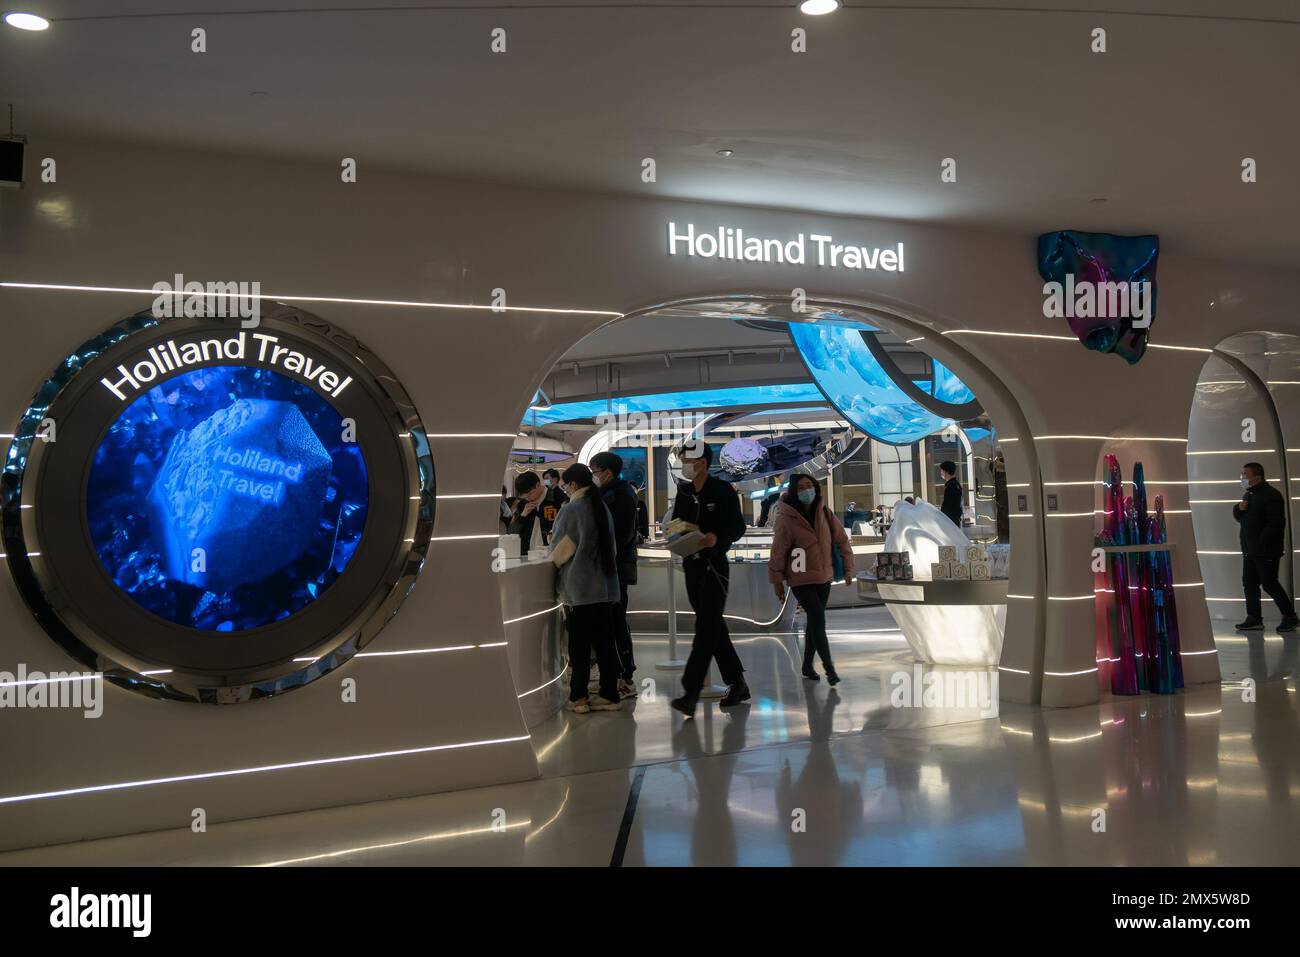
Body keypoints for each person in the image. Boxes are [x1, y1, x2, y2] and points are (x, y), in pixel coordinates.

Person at [668, 442, 750, 717]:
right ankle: (737, 682)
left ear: (702, 461)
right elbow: (677, 524)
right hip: (691, 565)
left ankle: (690, 692)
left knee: (705, 628)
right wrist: (676, 536)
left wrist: (717, 539)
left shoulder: (722, 490)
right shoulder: (684, 492)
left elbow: (737, 526)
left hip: (715, 567)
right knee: (713, 626)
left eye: (687, 459)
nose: (683, 464)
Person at [549, 463, 623, 712]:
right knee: (605, 644)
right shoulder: (602, 507)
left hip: (579, 589)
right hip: (604, 588)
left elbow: (560, 551)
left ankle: (579, 697)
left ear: (573, 485)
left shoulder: (572, 509)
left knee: (579, 647)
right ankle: (610, 694)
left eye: (565, 485)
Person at [768, 474, 855, 684]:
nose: (807, 490)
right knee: (818, 618)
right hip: (799, 579)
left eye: (810, 486)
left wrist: (848, 568)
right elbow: (778, 551)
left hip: (823, 576)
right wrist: (777, 580)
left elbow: (841, 540)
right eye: (801, 487)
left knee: (814, 622)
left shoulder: (824, 513)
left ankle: (807, 665)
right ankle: (829, 668)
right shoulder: (786, 519)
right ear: (794, 492)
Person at [590, 451, 640, 698]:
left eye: (595, 472)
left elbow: (620, 536)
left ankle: (626, 676)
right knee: (609, 622)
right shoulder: (608, 493)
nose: (593, 477)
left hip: (616, 570)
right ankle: (614, 671)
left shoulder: (621, 496)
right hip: (609, 568)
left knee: (617, 621)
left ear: (607, 472)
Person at [1233, 462, 1299, 632]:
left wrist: (1261, 542)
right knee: (1249, 583)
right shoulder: (1249, 496)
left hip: (1266, 551)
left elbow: (1277, 523)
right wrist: (1238, 509)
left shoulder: (1271, 495)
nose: (1242, 478)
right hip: (1249, 550)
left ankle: (1290, 617)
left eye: (1245, 475)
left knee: (1269, 583)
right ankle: (1254, 618)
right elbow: (1242, 519)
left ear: (1257, 477)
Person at [508, 471, 563, 550]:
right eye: (524, 497)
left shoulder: (557, 498)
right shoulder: (522, 504)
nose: (528, 498)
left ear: (537, 485)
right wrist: (523, 516)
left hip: (551, 551)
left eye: (530, 494)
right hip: (526, 553)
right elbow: (511, 532)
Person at [939, 460, 963, 528]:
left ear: (946, 472)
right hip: (955, 520)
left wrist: (941, 516)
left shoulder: (951, 486)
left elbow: (947, 505)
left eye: (942, 471)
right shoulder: (957, 484)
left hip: (950, 522)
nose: (941, 473)